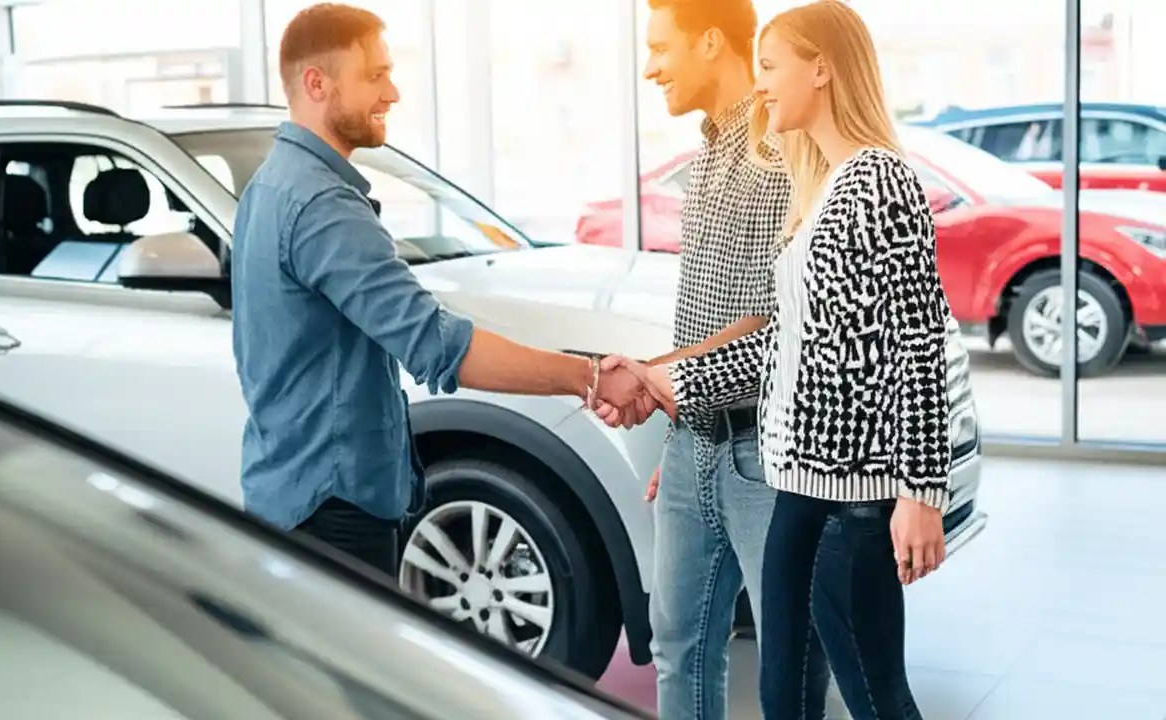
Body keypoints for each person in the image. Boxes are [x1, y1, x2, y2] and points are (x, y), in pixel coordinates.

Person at [600, 1, 955, 717]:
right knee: (781, 691)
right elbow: (795, 343)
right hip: (800, 487)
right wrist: (682, 406)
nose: (761, 86)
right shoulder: (813, 185)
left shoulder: (874, 179)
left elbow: (920, 345)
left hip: (841, 496)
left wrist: (922, 493)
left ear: (820, 67)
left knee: (868, 690)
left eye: (771, 67)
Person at [230, 3, 646, 579]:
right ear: (316, 83)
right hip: (333, 510)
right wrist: (589, 376)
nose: (393, 92)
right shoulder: (321, 205)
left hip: (295, 493)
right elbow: (436, 345)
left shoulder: (269, 187)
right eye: (375, 75)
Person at [595, 1, 794, 718]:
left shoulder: (781, 148)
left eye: (660, 47)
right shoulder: (709, 151)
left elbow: (781, 326)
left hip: (768, 458)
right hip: (693, 447)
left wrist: (654, 380)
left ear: (711, 41)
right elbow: (711, 321)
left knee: (790, 661)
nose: (650, 67)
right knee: (677, 646)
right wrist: (672, 408)